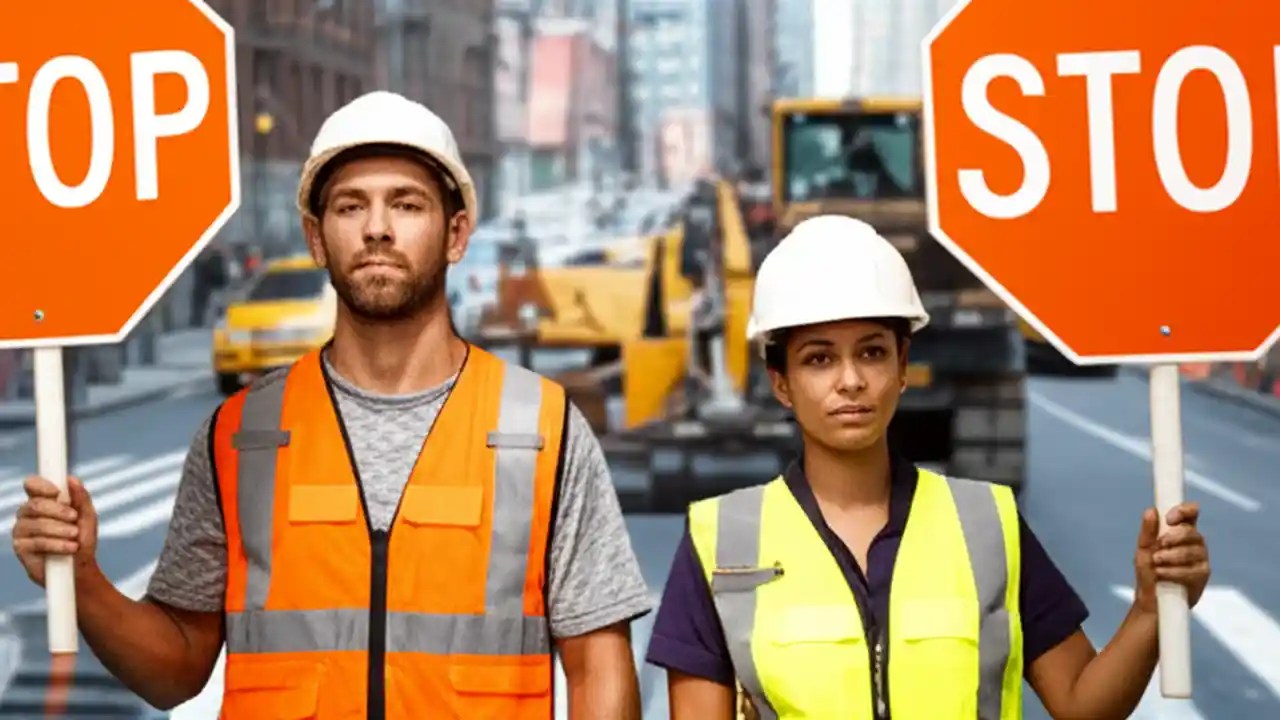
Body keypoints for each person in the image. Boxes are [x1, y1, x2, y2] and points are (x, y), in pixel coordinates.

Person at [11, 91, 654, 719]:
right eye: (350, 207)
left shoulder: (541, 427)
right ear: (316, 238)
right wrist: (84, 579)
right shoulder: (241, 436)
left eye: (406, 204)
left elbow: (599, 664)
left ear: (456, 233)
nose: (377, 228)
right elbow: (176, 669)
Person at [644, 215, 1211, 719]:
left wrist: (1148, 609)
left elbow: (1084, 704)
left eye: (871, 352)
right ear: (781, 383)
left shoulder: (986, 524)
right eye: (819, 358)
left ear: (902, 366)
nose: (850, 380)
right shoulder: (722, 543)